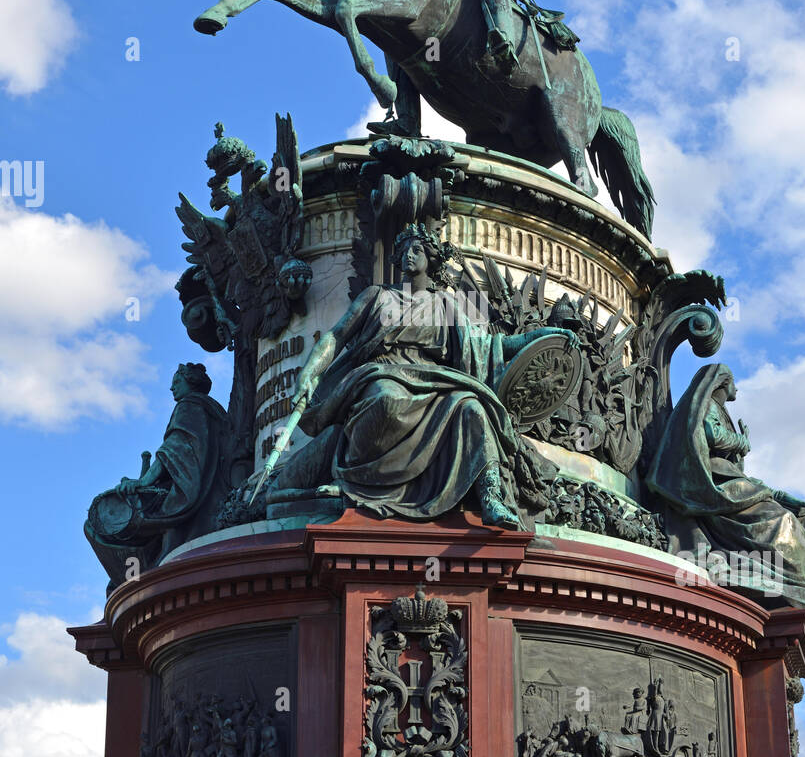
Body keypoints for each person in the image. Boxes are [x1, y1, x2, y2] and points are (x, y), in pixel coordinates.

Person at [267, 224, 575, 529]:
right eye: (404, 251)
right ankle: (356, 484)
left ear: (431, 258)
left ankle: (492, 498)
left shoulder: (447, 304)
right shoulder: (378, 296)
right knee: (386, 399)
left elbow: (492, 344)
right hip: (383, 371)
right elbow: (336, 336)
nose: (408, 256)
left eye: (417, 250)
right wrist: (308, 374)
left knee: (473, 408)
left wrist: (545, 335)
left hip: (434, 379)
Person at [647, 363, 805, 616]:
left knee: (798, 519)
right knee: (782, 522)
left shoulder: (719, 409)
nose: (736, 387)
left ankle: (800, 590)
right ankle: (799, 590)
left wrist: (781, 496)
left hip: (732, 481)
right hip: (715, 483)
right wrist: (741, 442)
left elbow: (743, 475)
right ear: (722, 384)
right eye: (733, 382)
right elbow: (710, 433)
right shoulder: (708, 406)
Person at [85, 363, 233, 588]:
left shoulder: (189, 405)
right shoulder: (214, 411)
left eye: (176, 383)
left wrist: (144, 482)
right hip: (214, 490)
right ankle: (133, 579)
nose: (171, 388)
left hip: (193, 498)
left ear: (189, 383)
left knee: (96, 529)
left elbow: (174, 450)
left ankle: (132, 581)